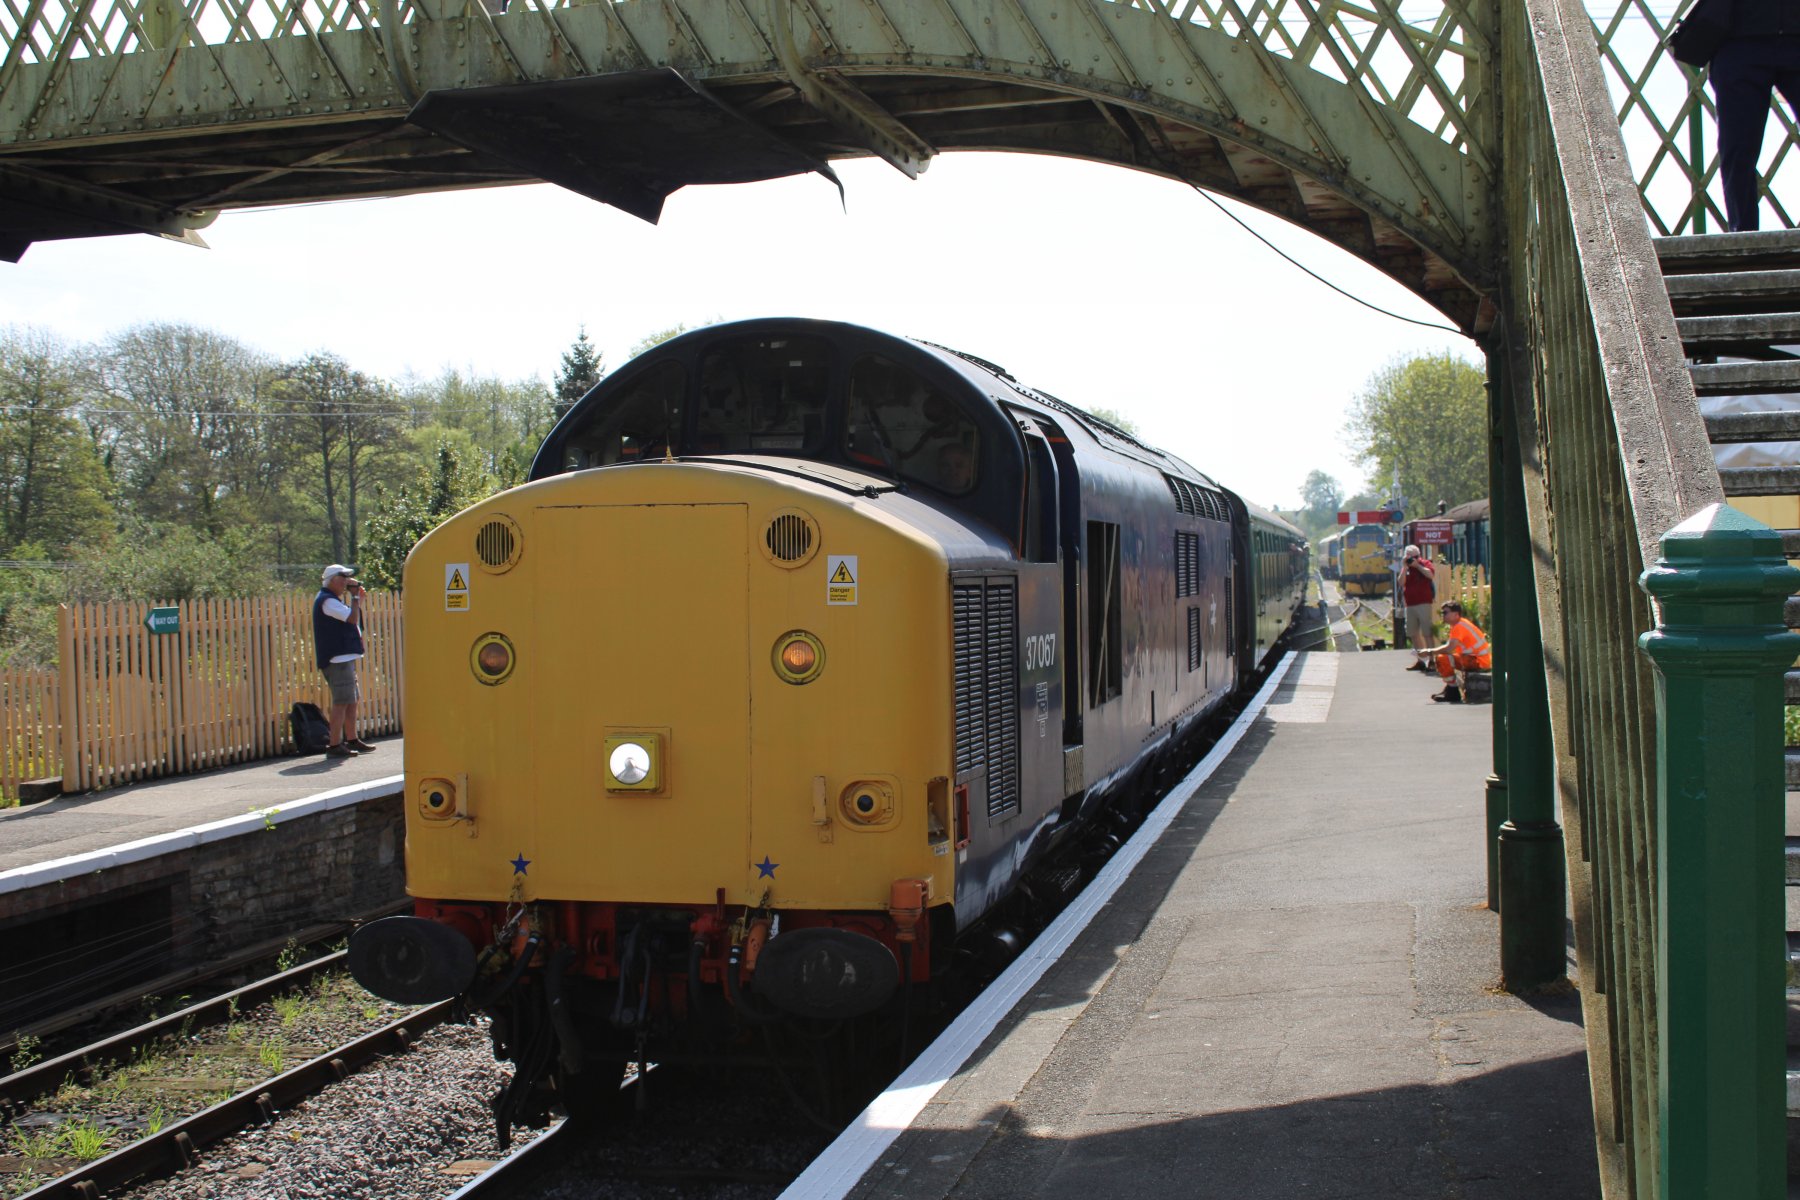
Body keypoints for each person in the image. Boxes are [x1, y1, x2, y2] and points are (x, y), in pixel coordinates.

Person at [1707, 0, 1800, 232]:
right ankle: (1744, 235)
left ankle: (1743, 232)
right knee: (1738, 146)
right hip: (1738, 40)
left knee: (1738, 149)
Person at [313, 565, 375, 758]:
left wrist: (358, 598)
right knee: (342, 701)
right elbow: (351, 618)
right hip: (336, 659)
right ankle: (334, 745)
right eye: (343, 577)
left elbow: (352, 618)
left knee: (352, 699)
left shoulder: (333, 601)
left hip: (344, 657)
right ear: (332, 579)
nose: (347, 582)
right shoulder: (327, 601)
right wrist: (355, 598)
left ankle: (351, 738)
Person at [1415, 600, 1491, 704]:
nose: (1443, 615)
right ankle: (1450, 688)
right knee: (1445, 658)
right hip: (1475, 659)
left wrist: (1429, 652)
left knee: (1443, 659)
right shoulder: (1459, 625)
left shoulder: (1459, 627)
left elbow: (1449, 649)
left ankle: (1452, 691)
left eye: (1445, 612)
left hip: (1478, 661)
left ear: (1456, 614)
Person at [1398, 545, 1437, 668]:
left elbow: (1430, 575)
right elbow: (1401, 582)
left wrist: (1418, 566)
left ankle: (1432, 660)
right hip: (1410, 604)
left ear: (1418, 555)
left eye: (1414, 556)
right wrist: (1404, 567)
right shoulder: (1406, 567)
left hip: (1424, 602)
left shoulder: (1425, 563)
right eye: (1409, 556)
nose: (1412, 559)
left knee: (1427, 632)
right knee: (1413, 633)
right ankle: (1421, 659)